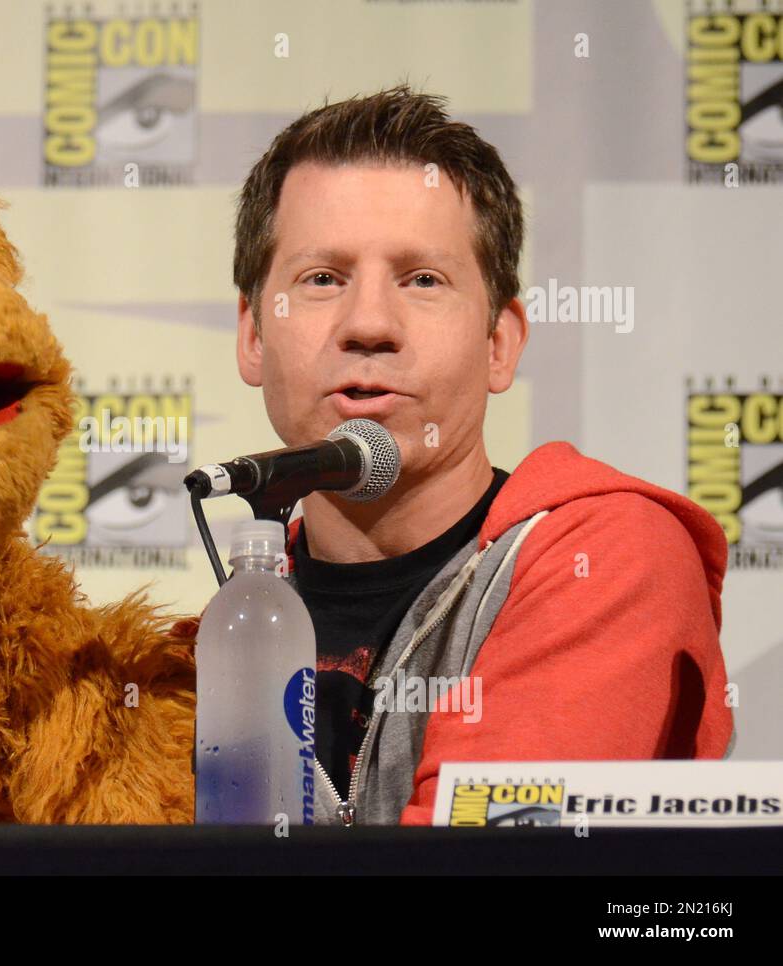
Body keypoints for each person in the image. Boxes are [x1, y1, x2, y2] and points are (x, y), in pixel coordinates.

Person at [227, 84, 733, 826]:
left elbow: (477, 870)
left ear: (500, 343)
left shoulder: (611, 557)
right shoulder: (236, 621)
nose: (369, 324)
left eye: (422, 280)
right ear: (252, 337)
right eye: (323, 278)